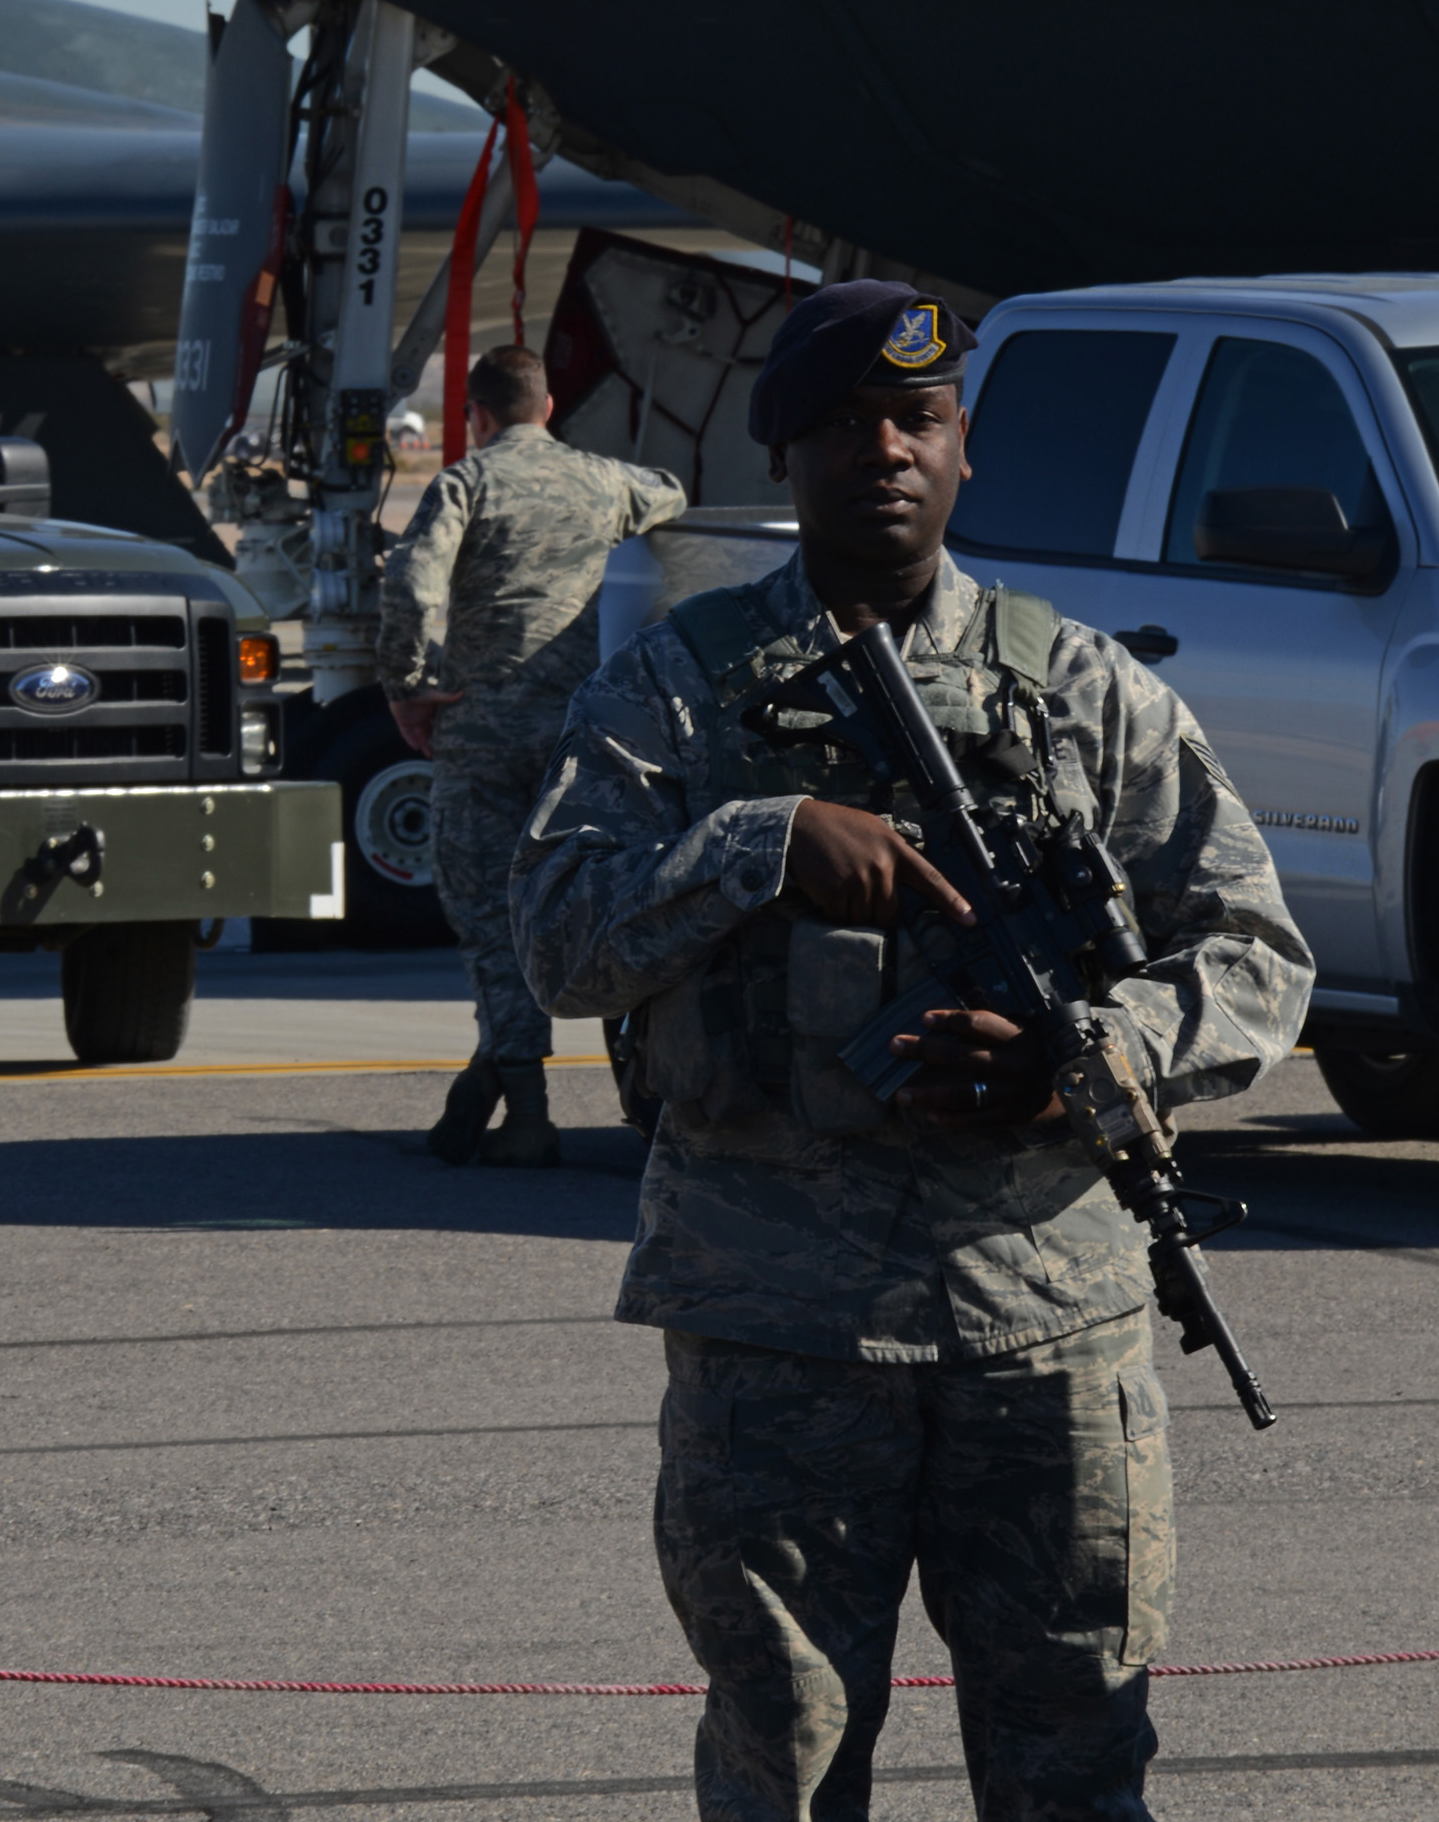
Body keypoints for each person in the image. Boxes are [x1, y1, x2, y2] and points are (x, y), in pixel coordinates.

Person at [510, 280, 1312, 1820]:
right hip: (777, 1323)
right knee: (783, 1764)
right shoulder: (675, 688)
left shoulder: (1077, 687)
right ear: (786, 456)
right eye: (840, 426)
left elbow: (1254, 955)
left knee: (1075, 1761)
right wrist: (759, 842)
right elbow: (553, 936)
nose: (881, 451)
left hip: (1045, 1322)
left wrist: (1082, 1053)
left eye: (914, 421)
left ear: (960, 452)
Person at [377, 342, 687, 1167]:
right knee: (578, 907)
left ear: (477, 416)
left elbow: (412, 583)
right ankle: (501, 1083)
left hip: (480, 735)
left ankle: (526, 1107)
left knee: (488, 917)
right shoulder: (605, 481)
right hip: (580, 738)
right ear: (547, 407)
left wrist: (407, 685)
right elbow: (675, 495)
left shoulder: (466, 482)